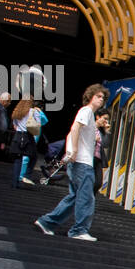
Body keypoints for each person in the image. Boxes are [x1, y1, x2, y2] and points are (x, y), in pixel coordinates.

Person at [34, 84, 107, 241]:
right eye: (98, 96)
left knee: (74, 197)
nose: (101, 99)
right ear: (90, 96)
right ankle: (79, 230)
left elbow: (71, 133)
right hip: (83, 163)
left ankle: (46, 223)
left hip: (80, 162)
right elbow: (74, 129)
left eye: (103, 97)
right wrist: (72, 151)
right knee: (87, 198)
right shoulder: (86, 111)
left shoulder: (88, 115)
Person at [9, 97, 40, 187]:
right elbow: (38, 124)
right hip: (28, 137)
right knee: (34, 157)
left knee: (18, 160)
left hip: (18, 136)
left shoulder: (17, 111)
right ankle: (26, 175)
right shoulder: (34, 112)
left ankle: (15, 183)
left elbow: (15, 125)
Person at [93, 110, 112, 191]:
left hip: (98, 159)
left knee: (98, 183)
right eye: (104, 118)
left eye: (107, 119)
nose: (106, 121)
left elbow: (105, 144)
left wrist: (107, 131)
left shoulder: (101, 131)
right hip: (89, 157)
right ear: (98, 117)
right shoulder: (90, 126)